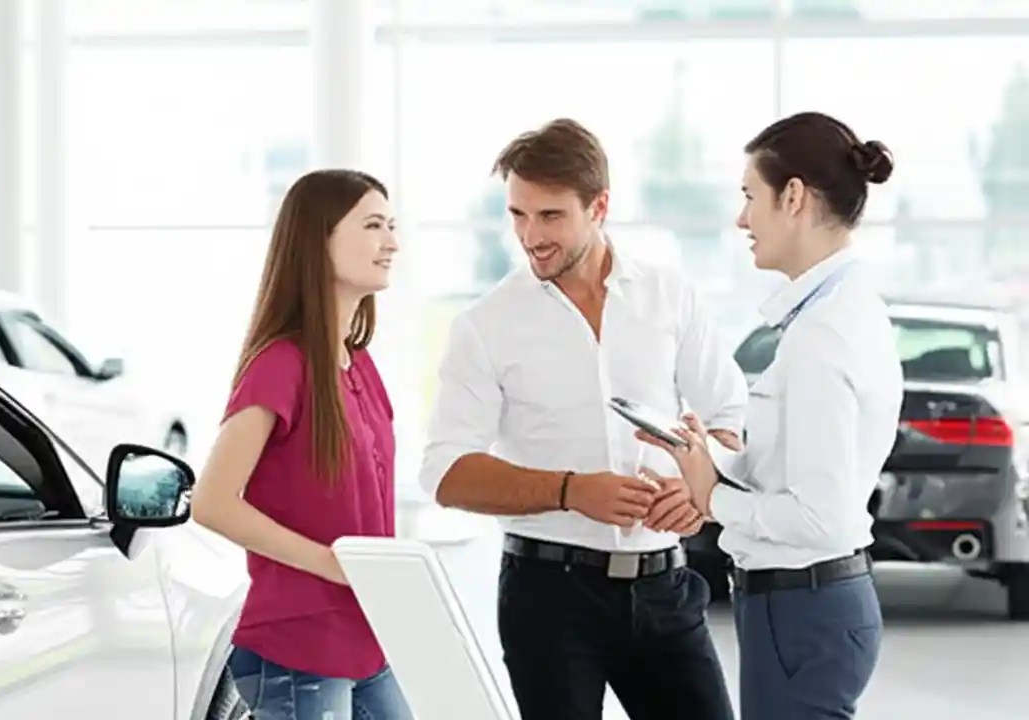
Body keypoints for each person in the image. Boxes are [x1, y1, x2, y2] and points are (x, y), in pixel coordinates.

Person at [418, 118, 748, 720]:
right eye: (518, 215)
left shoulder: (669, 296)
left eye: (550, 217)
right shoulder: (485, 325)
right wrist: (571, 492)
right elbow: (445, 472)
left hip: (666, 587)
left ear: (599, 206)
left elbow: (731, 420)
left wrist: (701, 487)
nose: (529, 236)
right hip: (548, 598)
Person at [636, 111, 903, 720]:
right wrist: (716, 459)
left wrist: (711, 497)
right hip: (806, 606)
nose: (740, 219)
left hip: (802, 608)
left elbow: (817, 512)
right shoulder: (835, 313)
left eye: (748, 196)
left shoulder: (824, 334)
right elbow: (799, 469)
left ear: (793, 196)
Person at [191, 169, 413, 720]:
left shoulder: (358, 364)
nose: (391, 241)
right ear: (320, 240)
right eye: (373, 225)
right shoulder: (280, 365)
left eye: (392, 225)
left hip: (369, 638)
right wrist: (330, 564)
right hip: (300, 646)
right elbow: (212, 503)